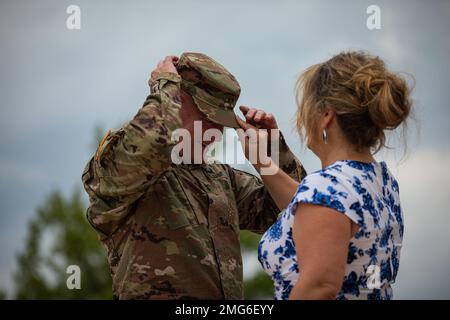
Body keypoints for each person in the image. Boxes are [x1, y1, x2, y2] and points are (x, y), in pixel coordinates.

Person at [81, 52, 306, 299]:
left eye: (221, 122)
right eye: (207, 117)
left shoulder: (220, 178)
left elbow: (292, 213)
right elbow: (148, 144)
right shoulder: (123, 166)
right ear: (177, 99)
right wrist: (165, 85)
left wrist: (273, 151)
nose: (217, 133)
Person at [237, 51, 412, 299]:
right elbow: (316, 211)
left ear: (326, 115)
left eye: (305, 107)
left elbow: (318, 288)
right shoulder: (381, 181)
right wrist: (263, 161)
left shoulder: (325, 188)